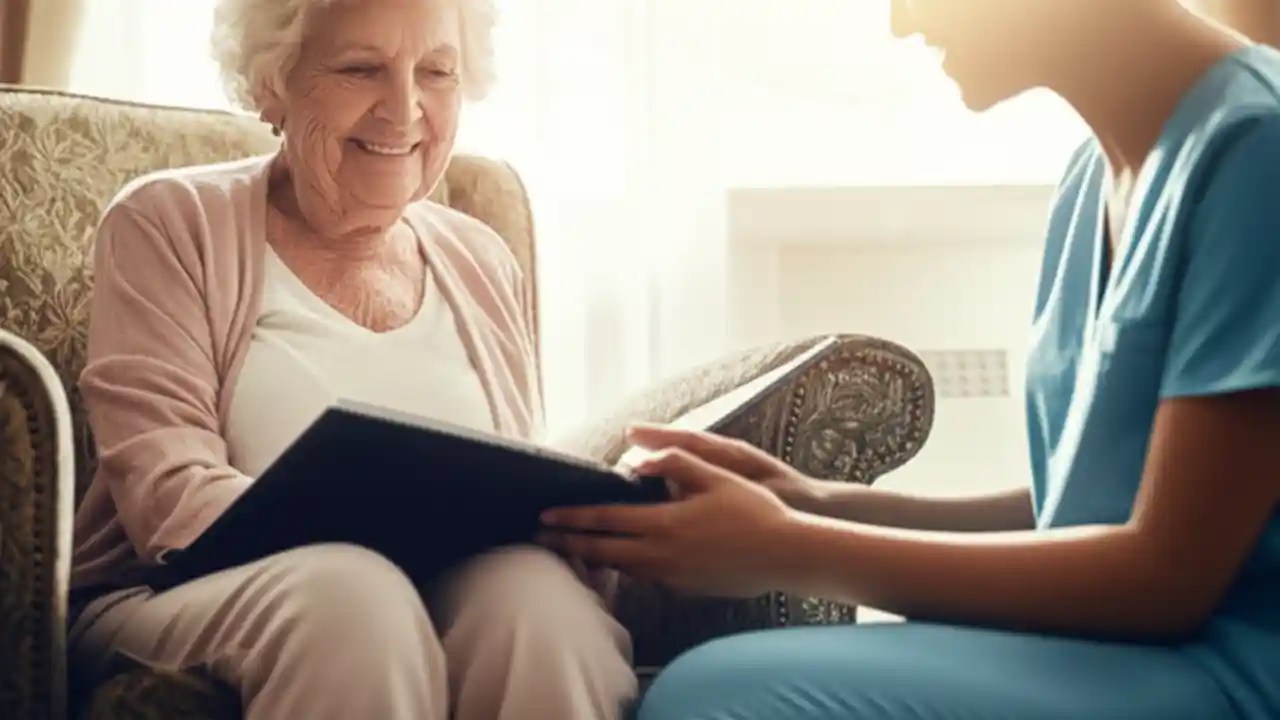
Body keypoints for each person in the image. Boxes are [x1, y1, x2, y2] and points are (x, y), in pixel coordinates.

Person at [538, 1, 1280, 717]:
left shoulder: (1257, 155)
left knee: (718, 699)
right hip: (1122, 653)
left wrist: (789, 549)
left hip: (1225, 671)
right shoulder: (1096, 173)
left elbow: (1164, 579)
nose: (901, 20)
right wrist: (814, 502)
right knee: (705, 686)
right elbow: (1087, 509)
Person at [66, 1, 637, 718]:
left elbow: (509, 484)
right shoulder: (166, 224)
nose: (403, 110)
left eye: (436, 71)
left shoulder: (481, 259)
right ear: (274, 84)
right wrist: (394, 540)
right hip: (179, 594)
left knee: (539, 605)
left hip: (429, 586)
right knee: (356, 599)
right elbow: (167, 501)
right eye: (360, 69)